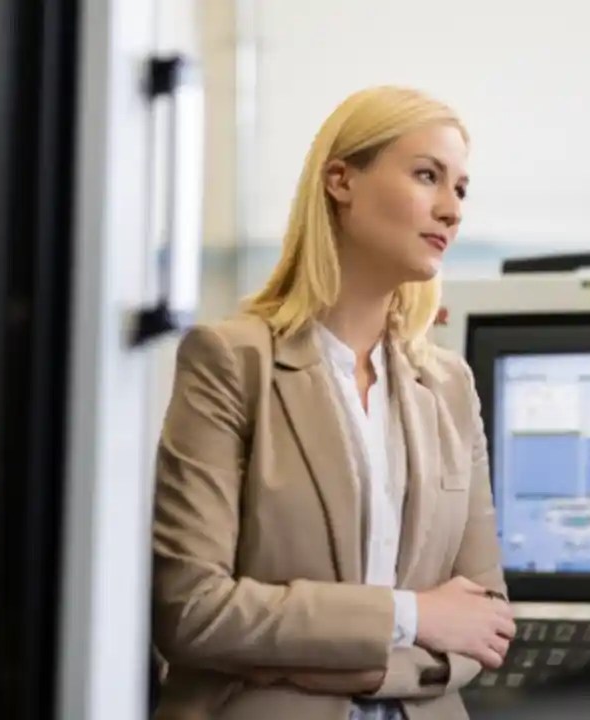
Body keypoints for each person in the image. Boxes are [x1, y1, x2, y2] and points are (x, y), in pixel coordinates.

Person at [151, 85, 514, 720]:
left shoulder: (450, 388)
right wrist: (411, 616)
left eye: (460, 189)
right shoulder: (231, 362)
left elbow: (484, 623)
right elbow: (192, 609)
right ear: (341, 181)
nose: (451, 210)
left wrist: (312, 651)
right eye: (427, 175)